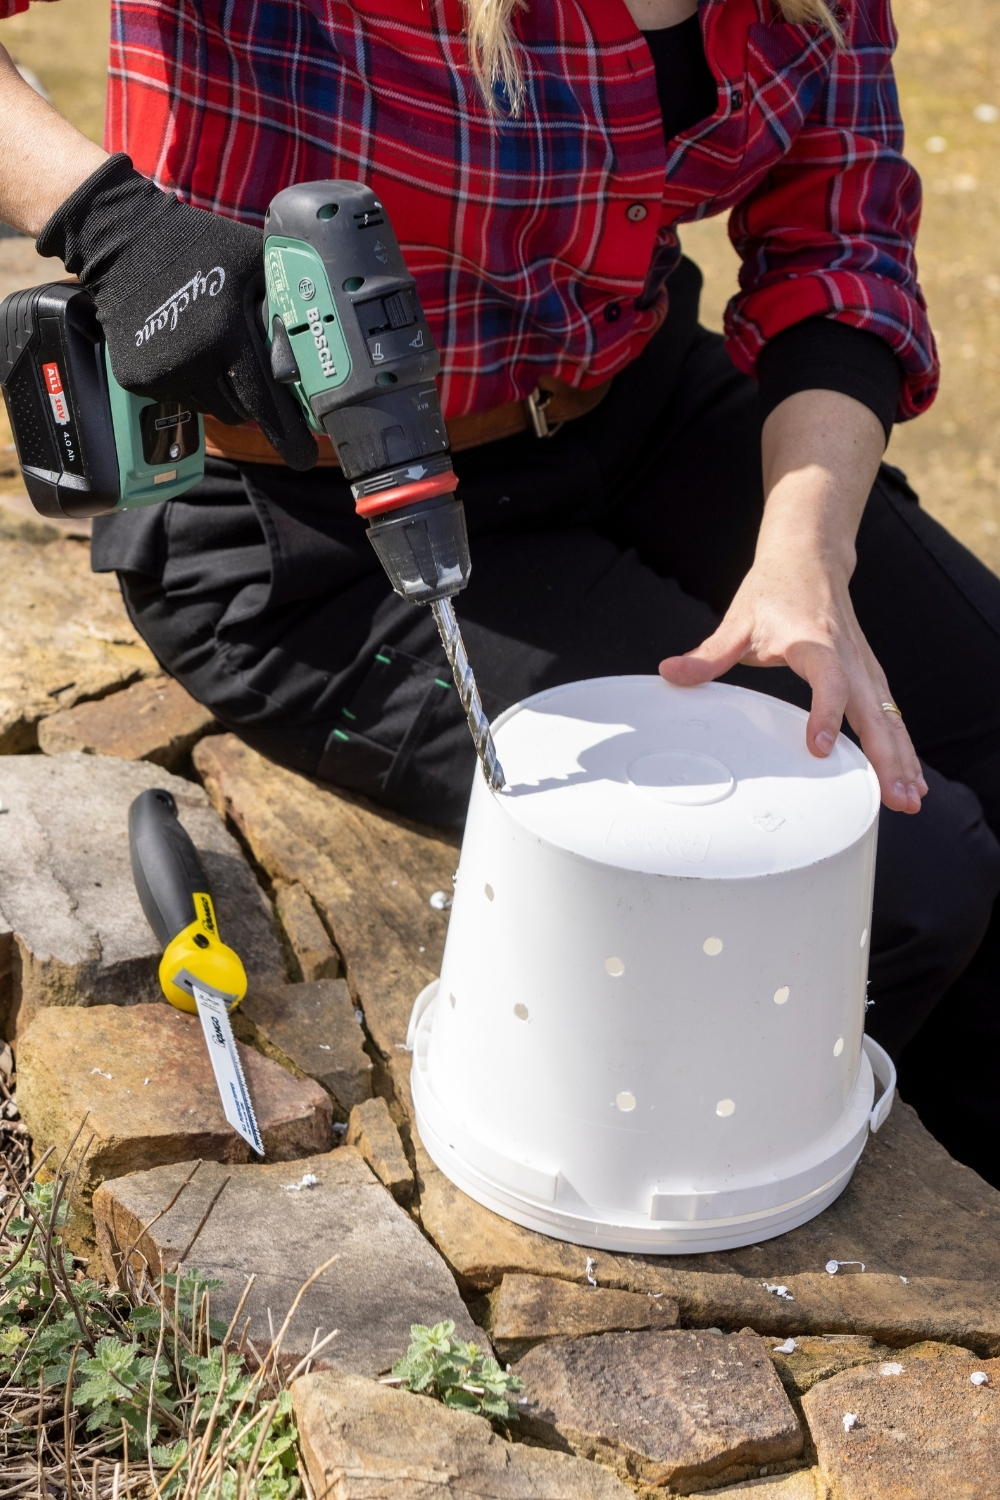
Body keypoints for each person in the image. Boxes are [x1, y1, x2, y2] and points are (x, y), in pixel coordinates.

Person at [1, 0, 998, 1184]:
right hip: (311, 527)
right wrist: (111, 221)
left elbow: (840, 252)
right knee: (897, 883)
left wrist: (805, 549)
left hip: (627, 399)